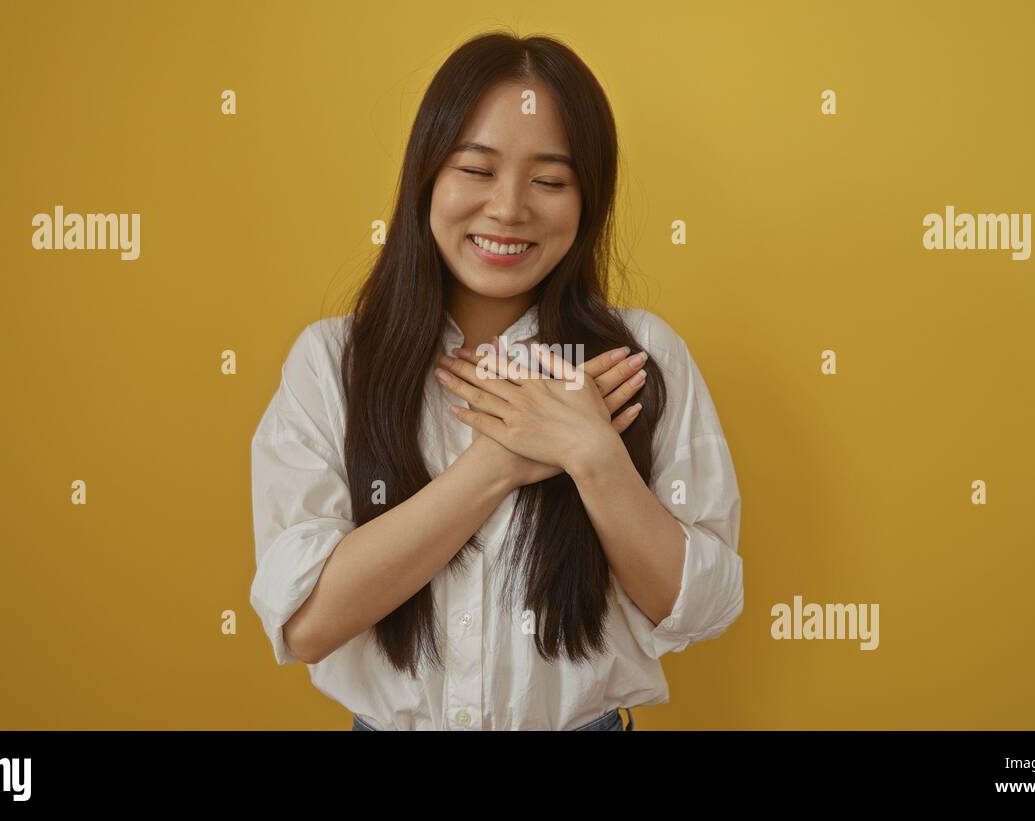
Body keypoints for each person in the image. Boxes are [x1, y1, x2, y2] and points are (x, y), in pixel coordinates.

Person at [248, 30, 743, 731]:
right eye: (476, 170)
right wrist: (499, 462)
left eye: (549, 180)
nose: (510, 208)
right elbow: (305, 622)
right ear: (426, 175)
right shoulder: (334, 362)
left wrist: (593, 453)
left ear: (588, 200)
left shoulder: (640, 358)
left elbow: (701, 606)